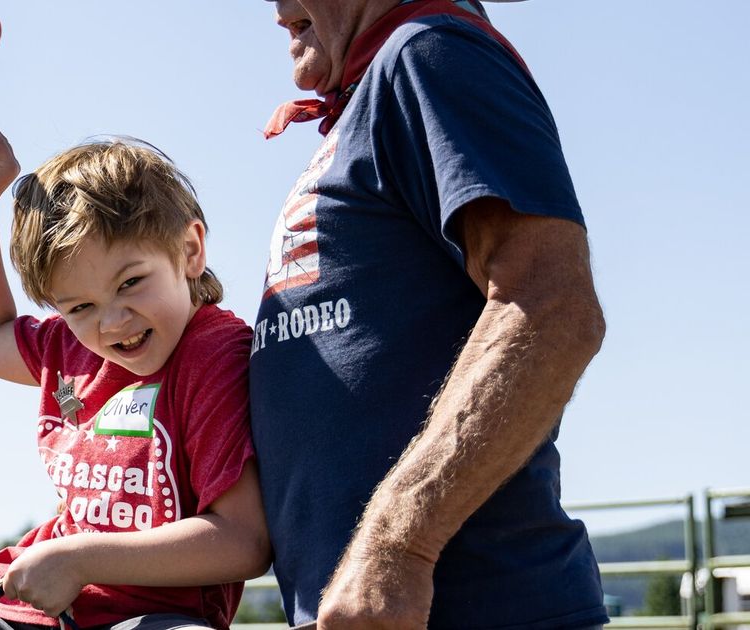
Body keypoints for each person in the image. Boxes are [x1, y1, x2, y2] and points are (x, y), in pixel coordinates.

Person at [250, 0, 608, 628]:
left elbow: (550, 306)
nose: (275, 8)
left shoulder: (429, 51)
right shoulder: (378, 87)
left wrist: (397, 545)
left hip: (468, 609)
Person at [0, 117, 270, 630]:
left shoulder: (213, 354)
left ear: (190, 250)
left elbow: (244, 541)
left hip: (152, 618)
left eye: (131, 282)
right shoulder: (69, 347)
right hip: (28, 610)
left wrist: (82, 558)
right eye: (80, 305)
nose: (112, 322)